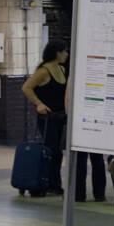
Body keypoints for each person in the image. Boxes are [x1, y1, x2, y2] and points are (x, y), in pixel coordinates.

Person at [21, 39, 69, 197]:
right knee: (52, 150)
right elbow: (26, 87)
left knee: (58, 151)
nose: (66, 55)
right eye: (64, 51)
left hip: (61, 116)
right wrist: (39, 104)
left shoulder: (61, 70)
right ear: (57, 53)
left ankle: (54, 183)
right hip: (47, 118)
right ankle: (49, 183)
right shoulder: (44, 71)